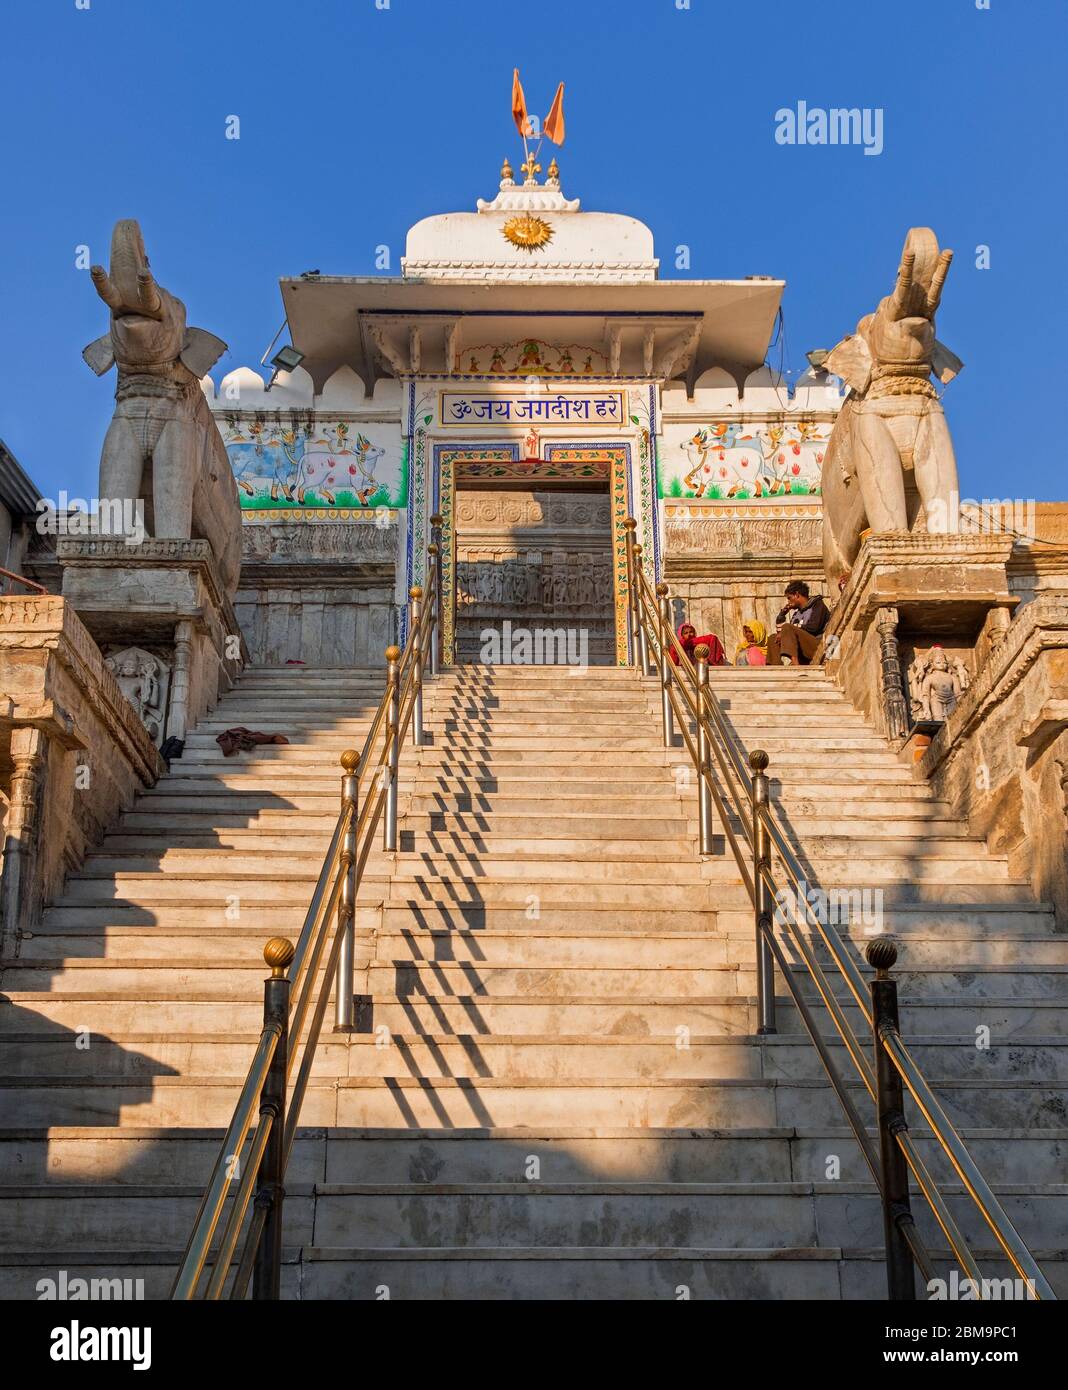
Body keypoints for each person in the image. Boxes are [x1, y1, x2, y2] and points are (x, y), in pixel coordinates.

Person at [766, 581, 830, 665]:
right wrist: (781, 616)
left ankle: (796, 664)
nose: (788, 602)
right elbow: (781, 635)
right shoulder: (797, 614)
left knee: (787, 627)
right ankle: (775, 668)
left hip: (817, 645)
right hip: (801, 649)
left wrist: (793, 627)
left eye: (789, 598)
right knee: (773, 638)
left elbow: (813, 628)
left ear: (797, 594)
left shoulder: (818, 605)